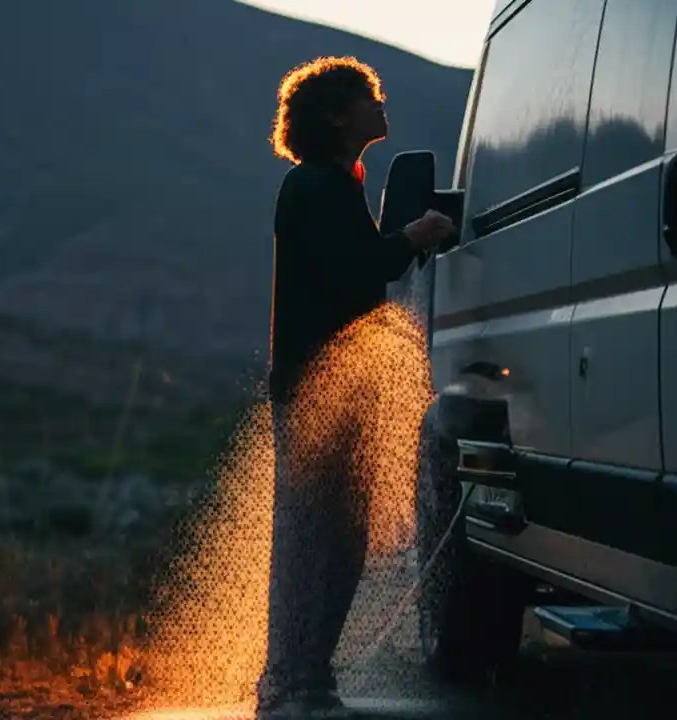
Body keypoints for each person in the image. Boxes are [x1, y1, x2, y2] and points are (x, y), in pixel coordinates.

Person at [258, 56, 454, 718]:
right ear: (339, 115)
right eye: (369, 96)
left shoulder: (333, 185)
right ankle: (289, 687)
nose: (381, 102)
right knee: (316, 541)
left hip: (327, 395)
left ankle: (308, 681)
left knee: (337, 541)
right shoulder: (316, 186)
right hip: (317, 397)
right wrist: (415, 235)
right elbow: (356, 270)